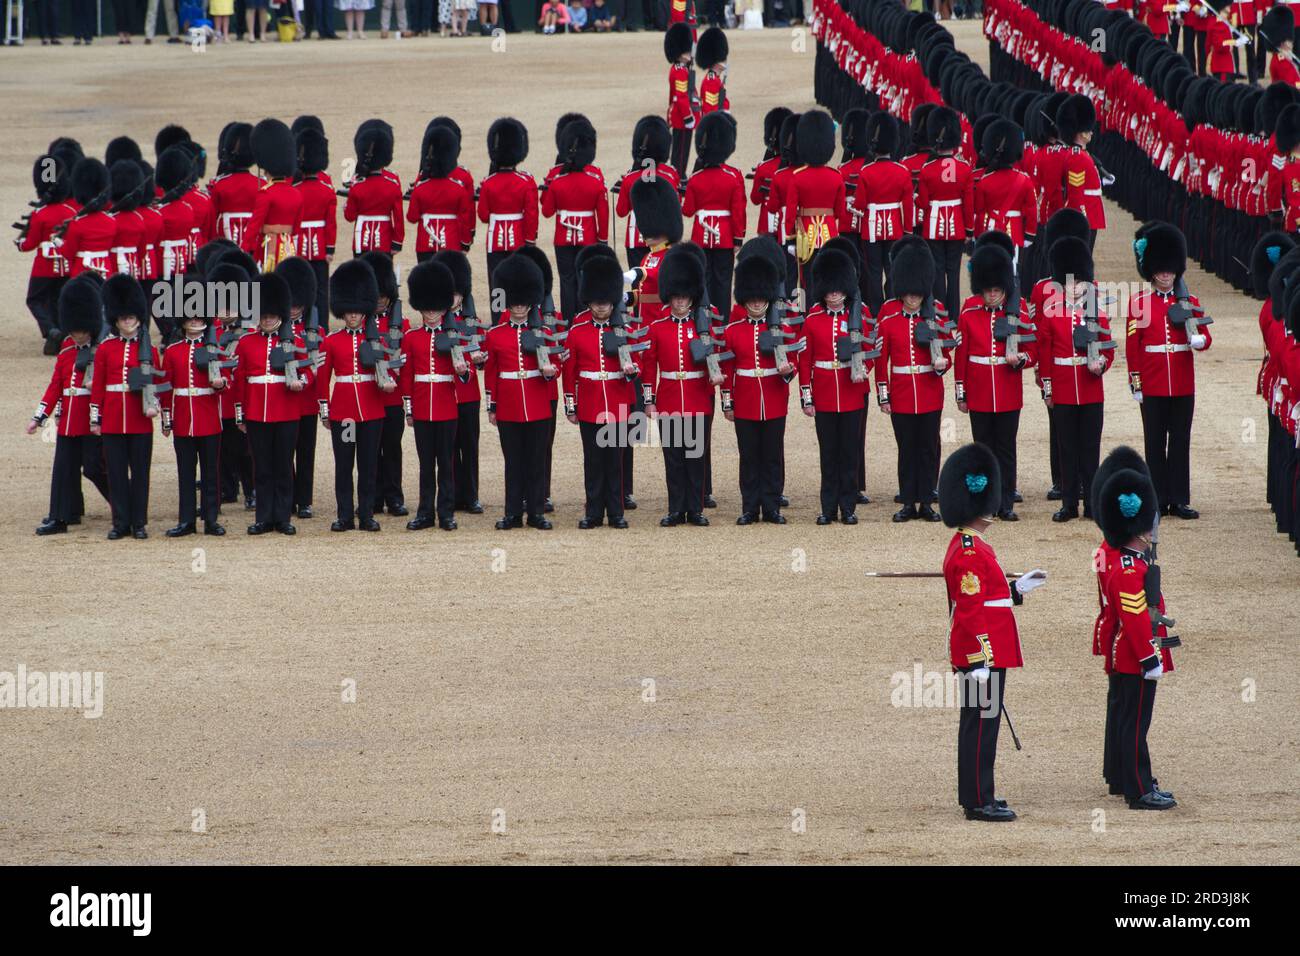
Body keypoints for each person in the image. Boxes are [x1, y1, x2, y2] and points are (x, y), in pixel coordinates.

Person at [938, 442, 1047, 822]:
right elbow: (969, 611)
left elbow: (988, 599)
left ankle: (982, 793)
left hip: (983, 649)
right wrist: (980, 657)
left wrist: (1018, 590)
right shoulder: (970, 551)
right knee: (980, 726)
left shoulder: (973, 546)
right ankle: (977, 800)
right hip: (980, 653)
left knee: (984, 724)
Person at [1095, 464, 1177, 810]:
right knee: (1135, 724)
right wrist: (1149, 657)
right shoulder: (1130, 570)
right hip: (1135, 657)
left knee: (1128, 720)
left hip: (1129, 655)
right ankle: (1139, 789)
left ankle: (1129, 778)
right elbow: (1135, 618)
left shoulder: (1130, 562)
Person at [1126, 222, 1211, 519]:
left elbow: (1204, 335)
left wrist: (1200, 340)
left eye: (1169, 270)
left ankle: (1180, 498)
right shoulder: (1140, 303)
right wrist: (1136, 382)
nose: (1165, 275)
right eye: (1161, 271)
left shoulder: (1190, 302)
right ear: (1152, 271)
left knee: (1180, 441)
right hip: (1152, 381)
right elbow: (1133, 346)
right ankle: (1158, 499)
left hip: (1182, 382)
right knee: (1154, 441)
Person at [956, 242, 1033, 521]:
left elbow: (1033, 350)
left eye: (997, 291)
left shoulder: (1019, 308)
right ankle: (984, 502)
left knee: (1006, 449)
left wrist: (1021, 359)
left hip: (1007, 390)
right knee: (983, 449)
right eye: (988, 290)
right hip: (978, 391)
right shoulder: (969, 310)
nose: (992, 295)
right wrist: (961, 392)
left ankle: (1006, 502)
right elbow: (962, 355)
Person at [28, 276, 111, 536]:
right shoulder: (66, 347)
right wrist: (39, 416)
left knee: (94, 467)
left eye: (82, 331)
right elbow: (56, 386)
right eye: (73, 331)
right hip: (69, 420)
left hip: (91, 418)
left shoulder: (103, 348)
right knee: (63, 469)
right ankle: (61, 516)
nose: (77, 336)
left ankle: (123, 503)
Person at [641, 244, 716, 527]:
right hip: (670, 396)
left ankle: (695, 508)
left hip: (697, 396)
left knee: (696, 457)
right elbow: (649, 367)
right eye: (676, 297)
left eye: (685, 297)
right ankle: (676, 508)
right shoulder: (658, 327)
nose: (681, 302)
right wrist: (649, 400)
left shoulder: (703, 325)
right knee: (673, 459)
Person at [875, 239, 951, 522]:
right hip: (902, 392)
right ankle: (908, 501)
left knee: (929, 448)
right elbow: (881, 360)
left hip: (930, 390)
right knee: (906, 448)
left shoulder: (936, 311)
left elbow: (946, 350)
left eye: (917, 293)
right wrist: (884, 394)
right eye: (908, 293)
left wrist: (943, 364)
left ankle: (927, 501)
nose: (913, 298)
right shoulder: (888, 313)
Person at [1039, 236, 1113, 522]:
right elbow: (1045, 353)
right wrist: (1048, 388)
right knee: (1066, 448)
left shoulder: (1097, 310)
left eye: (1079, 283)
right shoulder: (1051, 311)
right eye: (1070, 283)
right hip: (1064, 387)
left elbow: (1107, 345)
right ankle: (1069, 503)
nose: (1074, 288)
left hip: (1090, 387)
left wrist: (1101, 364)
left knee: (1090, 448)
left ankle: (1092, 503)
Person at [562, 248, 638, 529]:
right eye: (597, 301)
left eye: (607, 301)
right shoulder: (578, 329)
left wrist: (631, 371)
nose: (603, 306)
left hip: (617, 402)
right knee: (593, 462)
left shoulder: (624, 329)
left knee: (615, 462)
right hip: (591, 402)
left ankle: (616, 512)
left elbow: (637, 363)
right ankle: (594, 511)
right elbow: (569, 373)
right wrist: (571, 405)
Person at [723, 241, 796, 525]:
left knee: (772, 456)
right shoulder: (733, 330)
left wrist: (788, 369)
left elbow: (795, 360)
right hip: (745, 399)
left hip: (774, 398)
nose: (755, 302)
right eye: (751, 298)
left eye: (760, 298)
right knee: (749, 456)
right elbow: (728, 370)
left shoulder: (782, 328)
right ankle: (750, 507)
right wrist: (728, 402)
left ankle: (772, 506)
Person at [482, 254, 556, 530]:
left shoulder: (544, 331)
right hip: (509, 405)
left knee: (536, 461)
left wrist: (551, 371)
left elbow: (557, 364)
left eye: (524, 302)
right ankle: (513, 512)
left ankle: (536, 512)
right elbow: (492, 374)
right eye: (515, 302)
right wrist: (492, 406)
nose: (519, 307)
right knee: (513, 462)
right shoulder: (496, 333)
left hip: (537, 402)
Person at [233, 272, 310, 535]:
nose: (267, 320)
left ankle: (283, 517)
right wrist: (241, 415)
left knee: (283, 466)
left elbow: (308, 372)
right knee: (262, 468)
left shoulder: (295, 342)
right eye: (263, 316)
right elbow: (240, 380)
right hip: (256, 412)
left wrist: (300, 381)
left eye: (271, 315)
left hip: (286, 412)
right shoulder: (246, 343)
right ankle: (263, 517)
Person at [798, 248, 871, 525]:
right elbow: (805, 362)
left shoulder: (859, 315)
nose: (834, 295)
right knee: (828, 455)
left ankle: (848, 507)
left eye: (838, 289)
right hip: (826, 395)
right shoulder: (813, 319)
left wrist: (864, 369)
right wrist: (807, 396)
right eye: (829, 290)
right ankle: (828, 508)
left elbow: (871, 350)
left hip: (852, 394)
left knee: (849, 454)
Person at [90, 275, 164, 540]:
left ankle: (139, 522)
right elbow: (97, 386)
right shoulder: (106, 349)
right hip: (112, 418)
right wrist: (95, 418)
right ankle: (120, 522)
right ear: (116, 320)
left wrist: (157, 408)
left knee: (141, 473)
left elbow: (156, 383)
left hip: (139, 419)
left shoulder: (150, 351)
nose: (128, 321)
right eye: (123, 318)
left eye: (131, 317)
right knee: (117, 473)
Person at [318, 259, 389, 532]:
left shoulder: (378, 340)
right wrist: (325, 410)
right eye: (348, 311)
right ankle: (345, 515)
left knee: (369, 466)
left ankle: (367, 514)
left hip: (371, 411)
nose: (353, 316)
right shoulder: (332, 341)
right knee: (345, 465)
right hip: (344, 412)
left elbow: (389, 372)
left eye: (358, 311)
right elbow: (323, 378)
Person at [401, 260, 465, 531]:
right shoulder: (412, 337)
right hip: (422, 408)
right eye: (426, 308)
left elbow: (467, 374)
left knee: (446, 464)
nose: (431, 313)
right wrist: (409, 409)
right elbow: (406, 377)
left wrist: (461, 369)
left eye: (435, 308)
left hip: (446, 406)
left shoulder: (455, 335)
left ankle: (446, 513)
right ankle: (425, 512)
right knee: (426, 465)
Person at [159, 306, 228, 538]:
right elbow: (166, 388)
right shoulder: (172, 351)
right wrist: (167, 418)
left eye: (200, 316)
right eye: (191, 317)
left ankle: (211, 520)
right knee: (185, 473)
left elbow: (228, 383)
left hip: (208, 419)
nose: (196, 320)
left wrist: (221, 384)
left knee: (211, 473)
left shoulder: (215, 350)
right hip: (183, 420)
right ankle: (186, 520)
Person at [432, 249, 486, 515]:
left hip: (468, 394)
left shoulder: (472, 323)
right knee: (448, 449)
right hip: (444, 394)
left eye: (457, 294)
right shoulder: (435, 323)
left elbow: (484, 356)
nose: (453, 299)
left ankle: (472, 495)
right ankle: (451, 495)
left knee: (470, 446)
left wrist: (479, 358)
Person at [542, 118, 608, 325]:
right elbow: (603, 213)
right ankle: (584, 319)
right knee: (584, 278)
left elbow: (546, 210)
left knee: (566, 280)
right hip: (588, 236)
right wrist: (602, 239)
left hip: (563, 237)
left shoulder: (557, 178)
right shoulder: (595, 177)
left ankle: (570, 321)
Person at [682, 112, 746, 319]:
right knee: (723, 282)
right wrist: (738, 237)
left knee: (702, 280)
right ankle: (723, 321)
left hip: (701, 234)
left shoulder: (696, 178)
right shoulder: (731, 178)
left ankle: (702, 319)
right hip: (725, 235)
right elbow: (738, 211)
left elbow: (688, 211)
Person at [275, 257, 323, 520]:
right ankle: (288, 497)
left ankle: (304, 500)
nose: (293, 309)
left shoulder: (315, 331)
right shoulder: (275, 329)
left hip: (306, 402)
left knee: (306, 452)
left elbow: (321, 368)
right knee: (284, 453)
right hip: (284, 400)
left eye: (297, 304)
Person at [916, 106, 974, 327]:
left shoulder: (927, 169)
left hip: (933, 226)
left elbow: (922, 202)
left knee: (938, 272)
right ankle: (954, 316)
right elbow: (968, 205)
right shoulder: (964, 168)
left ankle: (939, 314)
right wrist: (969, 230)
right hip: (957, 225)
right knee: (954, 272)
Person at [361, 251, 408, 517]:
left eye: (383, 296)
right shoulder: (361, 324)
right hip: (369, 395)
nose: (380, 301)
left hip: (392, 397)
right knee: (370, 451)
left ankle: (394, 496)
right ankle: (373, 498)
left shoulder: (401, 322)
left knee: (391, 448)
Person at [478, 118, 539, 320]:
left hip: (495, 240)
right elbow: (531, 213)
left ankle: (498, 319)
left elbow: (484, 215)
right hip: (519, 238)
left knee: (497, 282)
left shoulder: (488, 183)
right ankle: (522, 318)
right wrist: (530, 239)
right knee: (520, 280)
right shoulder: (525, 181)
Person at [18, 152, 77, 353]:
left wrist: (19, 241)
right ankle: (59, 336)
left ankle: (51, 330)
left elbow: (29, 244)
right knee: (59, 299)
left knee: (34, 300)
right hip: (66, 264)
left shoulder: (40, 213)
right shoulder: (71, 212)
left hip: (45, 265)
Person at [853, 112, 912, 315]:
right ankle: (894, 307)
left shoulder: (866, 172)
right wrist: (908, 230)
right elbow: (907, 205)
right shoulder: (902, 171)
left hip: (871, 228)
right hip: (895, 227)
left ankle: (877, 310)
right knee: (892, 269)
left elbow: (860, 205)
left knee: (874, 272)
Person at [784, 110, 846, 297]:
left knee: (807, 281)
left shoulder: (798, 177)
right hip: (829, 232)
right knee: (830, 279)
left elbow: (790, 213)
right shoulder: (836, 177)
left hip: (805, 236)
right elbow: (840, 212)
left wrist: (790, 238)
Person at [615, 116, 679, 270]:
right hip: (663, 237)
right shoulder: (670, 175)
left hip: (635, 238)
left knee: (638, 285)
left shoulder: (630, 178)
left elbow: (621, 211)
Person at [974, 119, 1037, 270]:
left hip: (989, 230)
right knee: (1012, 271)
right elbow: (1031, 212)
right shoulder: (1025, 181)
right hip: (1014, 231)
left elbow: (980, 212)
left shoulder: (984, 181)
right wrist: (1029, 235)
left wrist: (977, 236)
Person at [242, 120, 303, 273]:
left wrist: (244, 250)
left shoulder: (266, 192)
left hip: (268, 247)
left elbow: (254, 226)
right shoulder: (296, 193)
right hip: (289, 247)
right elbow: (296, 228)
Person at [408, 126, 475, 263]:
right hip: (451, 242)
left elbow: (412, 217)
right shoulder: (458, 188)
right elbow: (464, 219)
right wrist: (466, 243)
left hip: (425, 244)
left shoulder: (420, 187)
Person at [291, 124, 336, 325]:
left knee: (301, 288)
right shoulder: (327, 189)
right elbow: (331, 223)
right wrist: (329, 248)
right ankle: (322, 327)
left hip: (298, 244)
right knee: (320, 290)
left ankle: (302, 325)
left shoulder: (295, 190)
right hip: (319, 245)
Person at [345, 121, 404, 258]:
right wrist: (397, 242)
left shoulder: (357, 184)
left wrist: (348, 205)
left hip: (361, 240)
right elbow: (398, 217)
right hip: (384, 239)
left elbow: (350, 216)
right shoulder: (392, 183)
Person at [1056, 95, 1106, 247]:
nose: (1091, 132)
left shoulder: (1082, 155)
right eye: (1088, 129)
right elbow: (1075, 194)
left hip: (1091, 214)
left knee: (1083, 259)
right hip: (1086, 216)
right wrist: (1080, 219)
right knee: (1077, 262)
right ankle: (1071, 274)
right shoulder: (1077, 157)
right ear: (1081, 132)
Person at [57, 159, 114, 280]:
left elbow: (68, 253)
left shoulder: (77, 223)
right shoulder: (111, 221)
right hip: (106, 271)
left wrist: (57, 240)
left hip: (81, 272)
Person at [208, 124, 262, 250]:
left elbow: (212, 220)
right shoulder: (261, 184)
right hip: (254, 245)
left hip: (224, 245)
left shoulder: (219, 185)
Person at [665, 23, 699, 179]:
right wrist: (688, 117)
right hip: (682, 118)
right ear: (680, 53)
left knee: (682, 150)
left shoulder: (681, 68)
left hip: (682, 116)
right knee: (680, 152)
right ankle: (678, 176)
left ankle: (679, 174)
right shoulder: (679, 71)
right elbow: (681, 97)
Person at [696, 27, 729, 115]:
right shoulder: (711, 81)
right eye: (723, 58)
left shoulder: (716, 79)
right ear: (715, 61)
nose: (725, 61)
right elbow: (711, 111)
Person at [1263, 7, 1298, 86]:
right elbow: (1292, 84)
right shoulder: (1282, 61)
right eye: (1289, 41)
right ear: (1283, 43)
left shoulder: (1279, 58)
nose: (1291, 43)